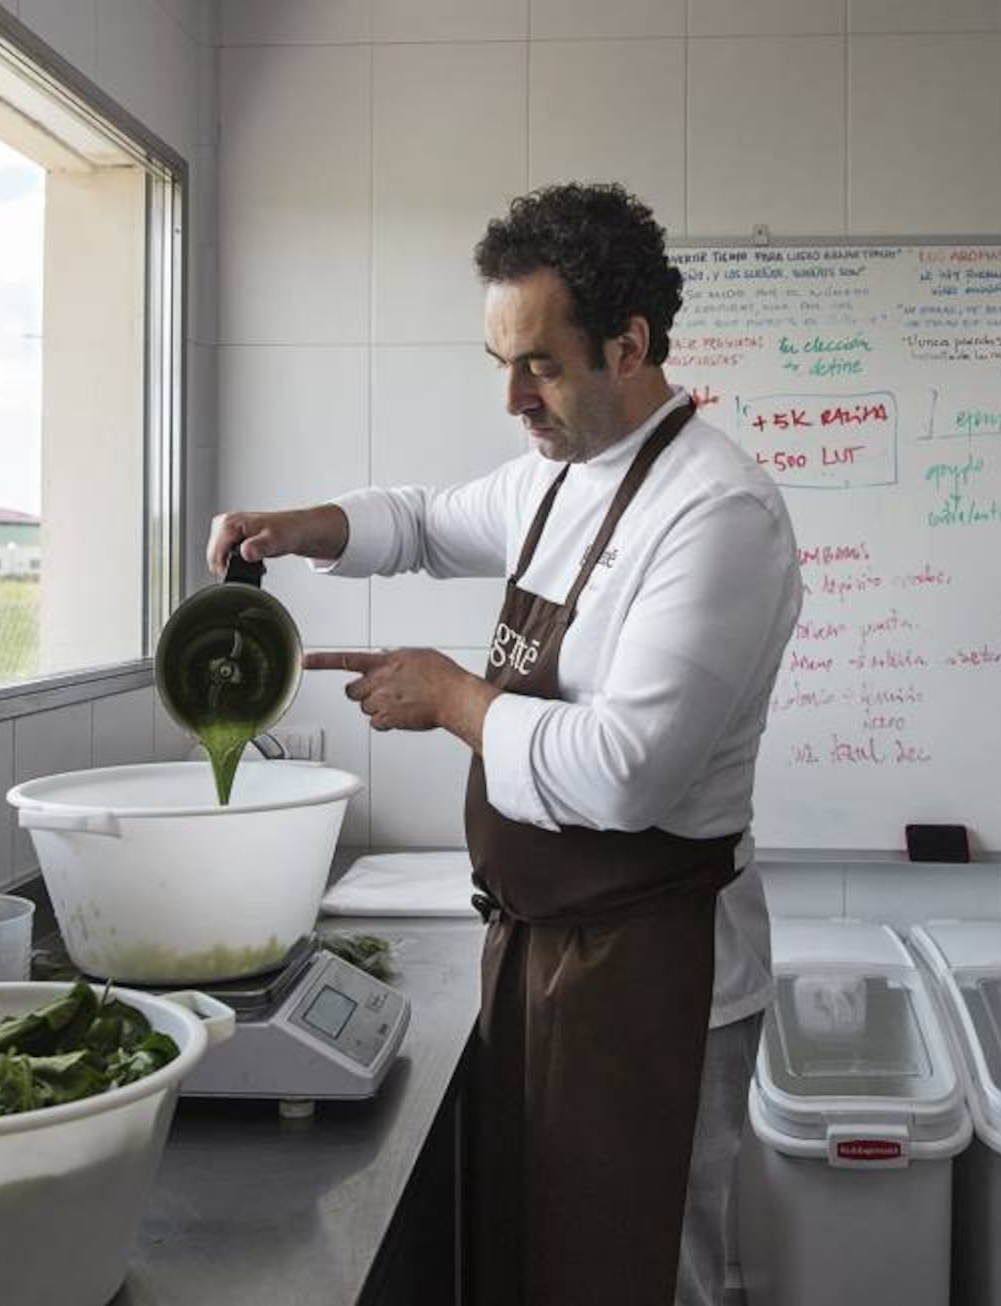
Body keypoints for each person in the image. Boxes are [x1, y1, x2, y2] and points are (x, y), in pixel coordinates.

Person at [207, 182, 802, 1306]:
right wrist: (301, 527)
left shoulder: (717, 515)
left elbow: (629, 773)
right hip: (545, 955)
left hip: (659, 976)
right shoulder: (559, 476)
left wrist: (450, 697)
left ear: (628, 345)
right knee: (559, 1257)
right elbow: (427, 521)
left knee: (652, 1267)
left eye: (539, 364)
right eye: (500, 363)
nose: (514, 398)